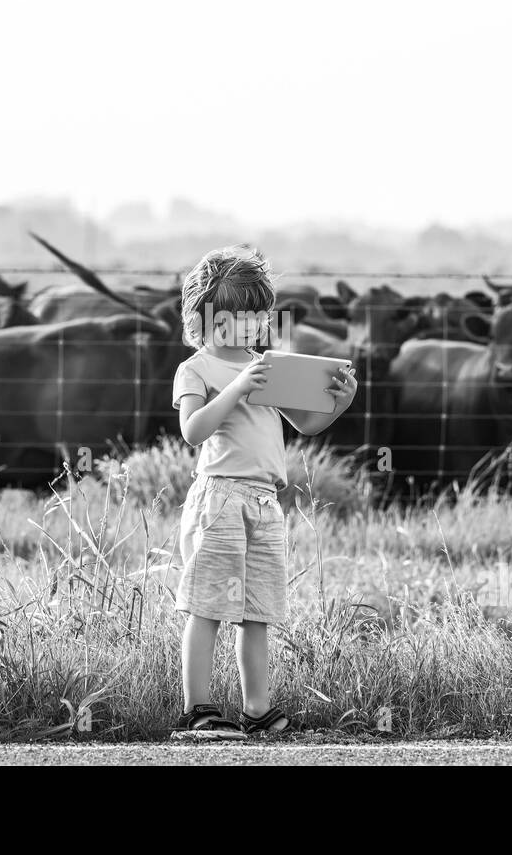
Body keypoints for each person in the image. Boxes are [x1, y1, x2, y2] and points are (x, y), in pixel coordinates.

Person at [169, 244, 357, 740]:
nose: (251, 325)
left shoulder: (266, 367)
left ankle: (257, 709)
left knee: (257, 612)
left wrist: (340, 402)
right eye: (238, 316)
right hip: (220, 499)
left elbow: (306, 425)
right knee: (209, 606)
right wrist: (237, 388)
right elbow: (193, 430)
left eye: (258, 315)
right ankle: (198, 709)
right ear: (205, 318)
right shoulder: (197, 369)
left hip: (264, 503)